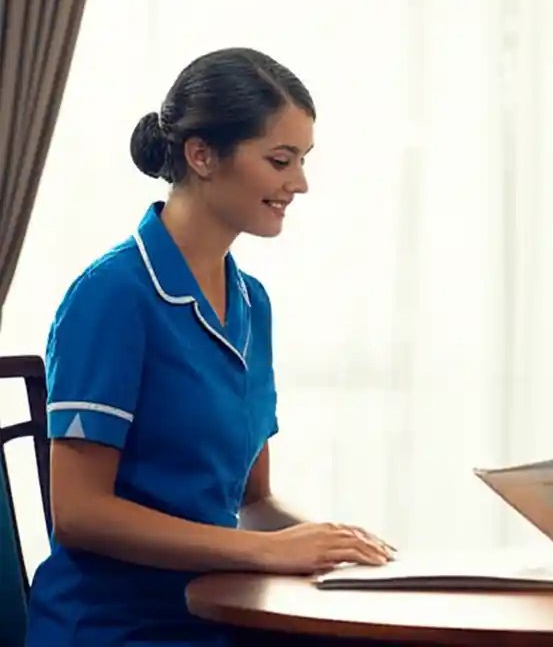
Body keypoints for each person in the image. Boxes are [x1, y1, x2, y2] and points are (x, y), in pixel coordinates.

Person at [24, 47, 393, 646]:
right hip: (117, 629)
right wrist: (266, 552)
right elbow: (79, 514)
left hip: (218, 615)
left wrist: (347, 550)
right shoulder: (113, 296)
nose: (298, 183)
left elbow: (255, 500)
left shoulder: (252, 303)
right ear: (201, 155)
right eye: (280, 160)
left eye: (302, 161)